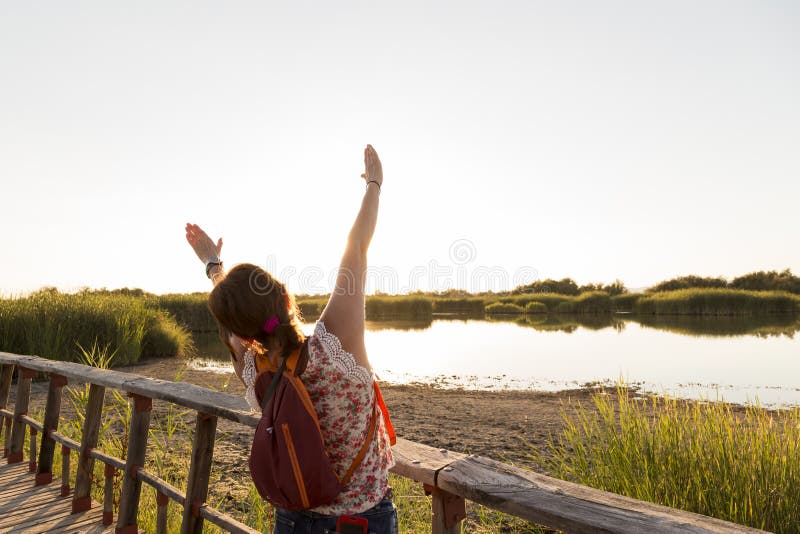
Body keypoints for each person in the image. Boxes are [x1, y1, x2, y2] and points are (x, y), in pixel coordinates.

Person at [184, 145, 397, 534]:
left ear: (242, 331)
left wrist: (213, 267)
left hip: (293, 521)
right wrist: (374, 185)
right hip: (361, 521)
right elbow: (357, 249)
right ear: (285, 297)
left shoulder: (256, 371)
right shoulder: (336, 348)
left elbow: (233, 319)